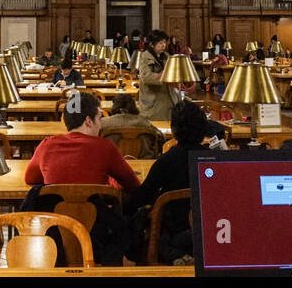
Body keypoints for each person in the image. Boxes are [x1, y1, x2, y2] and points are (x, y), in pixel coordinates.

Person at [126, 100, 215, 260]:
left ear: (174, 129)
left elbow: (142, 196)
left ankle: (177, 256)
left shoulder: (167, 161)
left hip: (173, 231)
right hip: (210, 231)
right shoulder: (213, 159)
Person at [24, 91, 140, 190]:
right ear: (88, 121)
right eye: (99, 118)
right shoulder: (105, 147)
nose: (100, 125)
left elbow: (30, 179)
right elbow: (132, 184)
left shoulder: (46, 145)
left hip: (56, 215)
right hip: (95, 215)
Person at [135, 29, 178, 121]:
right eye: (160, 43)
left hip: (169, 100)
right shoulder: (144, 57)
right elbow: (146, 77)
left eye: (165, 43)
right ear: (151, 44)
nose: (164, 45)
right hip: (153, 103)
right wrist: (164, 76)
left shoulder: (167, 56)